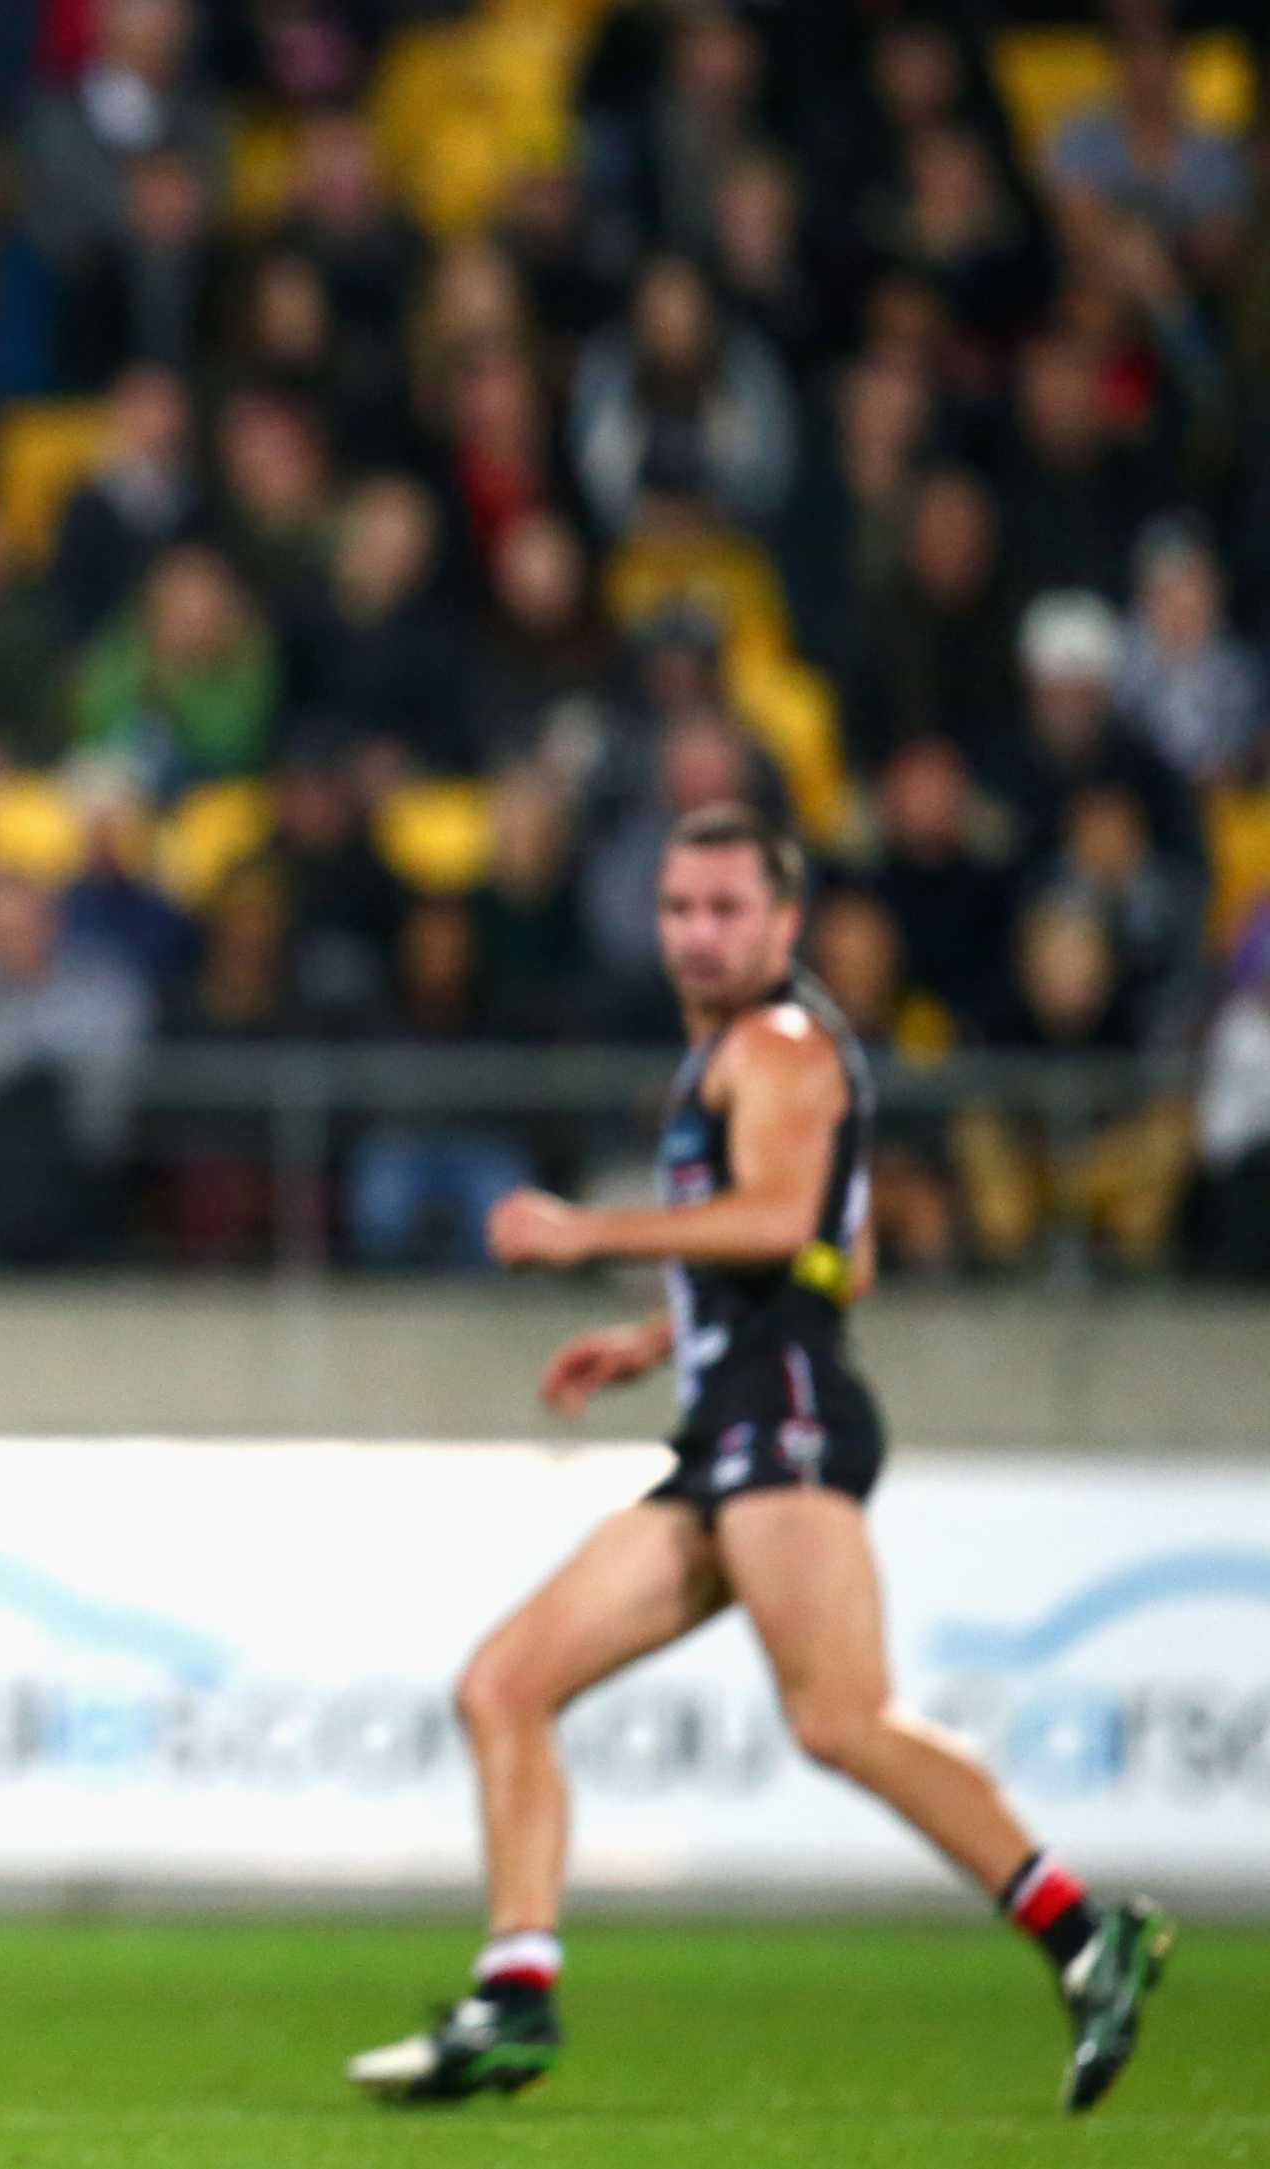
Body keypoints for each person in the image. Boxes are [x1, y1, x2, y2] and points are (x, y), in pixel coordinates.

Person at [345, 803, 1173, 2112]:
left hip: (777, 1414)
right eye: (680, 907)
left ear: (785, 924)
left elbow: (787, 1217)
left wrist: (585, 1234)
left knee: (838, 1715)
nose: (699, 931)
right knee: (507, 1682)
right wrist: (651, 1335)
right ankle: (515, 1999)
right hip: (735, 1406)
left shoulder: (776, 1046)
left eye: (728, 908)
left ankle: (1084, 1930)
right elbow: (843, 1245)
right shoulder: (755, 1058)